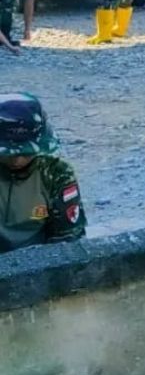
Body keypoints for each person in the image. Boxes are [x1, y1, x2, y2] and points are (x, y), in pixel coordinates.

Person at [0, 92, 86, 254]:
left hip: (39, 261)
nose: (17, 160)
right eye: (8, 153)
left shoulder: (56, 173)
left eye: (25, 152)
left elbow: (69, 237)